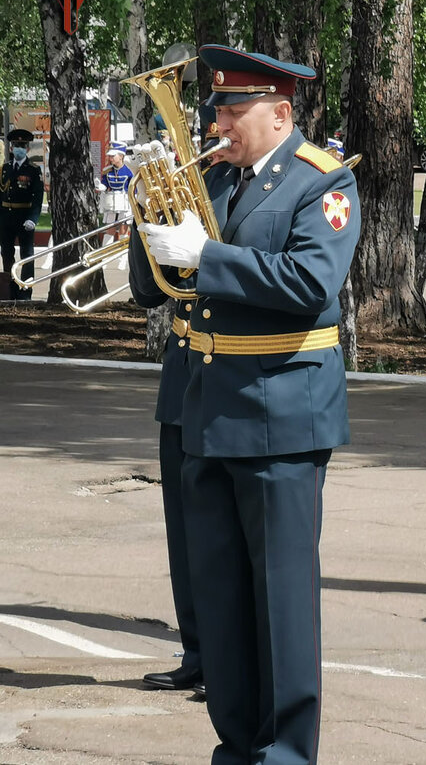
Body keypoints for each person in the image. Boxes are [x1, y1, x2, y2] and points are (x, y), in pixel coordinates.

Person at [139, 45, 360, 764]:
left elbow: (308, 284)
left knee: (282, 598)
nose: (219, 126)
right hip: (208, 406)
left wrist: (206, 256)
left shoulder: (320, 184)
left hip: (280, 413)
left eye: (233, 112)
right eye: (218, 112)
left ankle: (288, 751)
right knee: (224, 594)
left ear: (280, 113)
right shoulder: (221, 181)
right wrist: (150, 237)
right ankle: (237, 744)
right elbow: (157, 294)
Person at [128, 106, 225, 699]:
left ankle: (233, 661)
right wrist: (147, 211)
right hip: (182, 372)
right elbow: (148, 291)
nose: (210, 141)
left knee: (224, 535)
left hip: (232, 371)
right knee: (185, 532)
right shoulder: (187, 185)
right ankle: (198, 651)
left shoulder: (261, 193)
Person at [1, 128, 43, 301]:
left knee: (27, 256)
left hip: (24, 216)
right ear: (11, 148)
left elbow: (38, 198)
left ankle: (25, 291)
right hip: (5, 218)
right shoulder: (4, 168)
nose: (18, 148)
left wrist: (33, 219)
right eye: (16, 145)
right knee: (7, 253)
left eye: (22, 145)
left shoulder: (33, 170)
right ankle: (9, 289)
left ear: (27, 149)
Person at [100, 142, 134, 245]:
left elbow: (133, 187)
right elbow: (105, 184)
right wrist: (101, 186)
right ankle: (105, 251)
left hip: (125, 201)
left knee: (124, 226)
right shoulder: (108, 171)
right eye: (110, 156)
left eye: (113, 156)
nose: (111, 158)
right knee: (110, 227)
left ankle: (123, 253)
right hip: (111, 202)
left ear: (121, 156)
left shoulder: (129, 170)